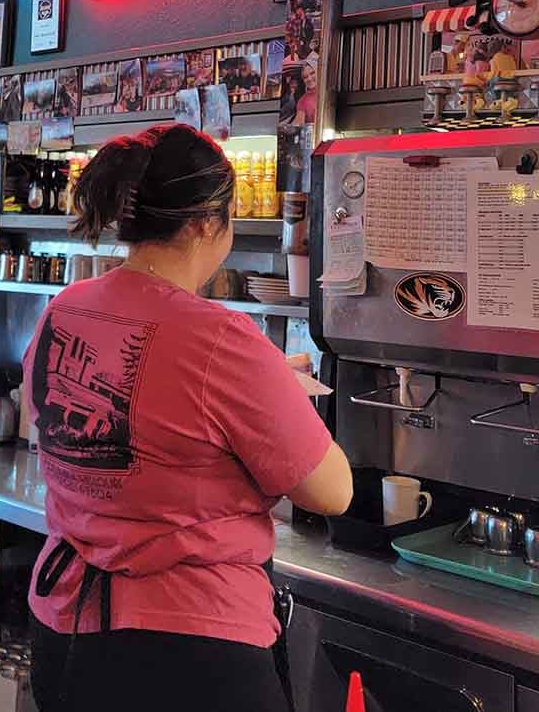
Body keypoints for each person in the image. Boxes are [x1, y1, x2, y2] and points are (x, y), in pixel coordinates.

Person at [24, 124, 352, 712]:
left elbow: (60, 422)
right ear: (206, 222)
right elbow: (332, 491)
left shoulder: (63, 310)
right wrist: (279, 392)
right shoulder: (221, 339)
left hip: (65, 633)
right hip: (192, 649)